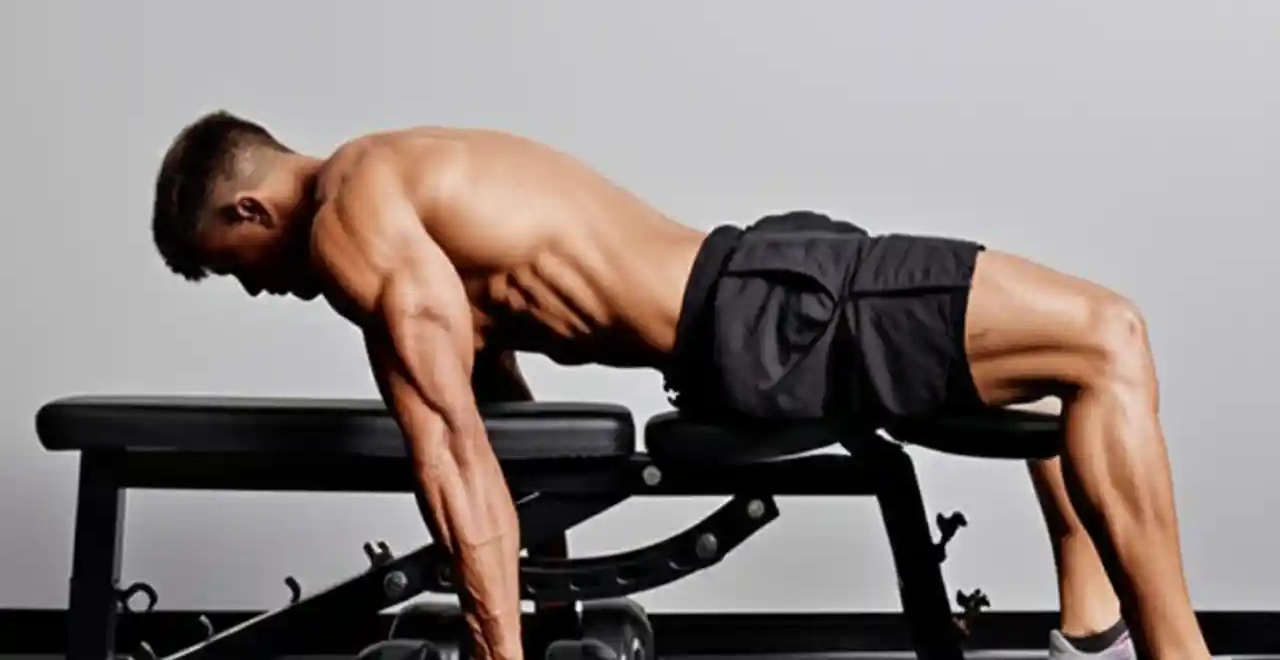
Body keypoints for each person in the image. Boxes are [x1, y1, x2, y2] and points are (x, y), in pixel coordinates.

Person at [149, 111, 1209, 660]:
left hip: (764, 302)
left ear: (250, 210)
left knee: (1068, 366)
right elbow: (471, 444)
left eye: (232, 268)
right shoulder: (386, 178)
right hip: (756, 306)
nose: (257, 291)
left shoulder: (351, 217)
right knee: (1106, 339)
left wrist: (506, 630)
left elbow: (462, 444)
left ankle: (1094, 635)